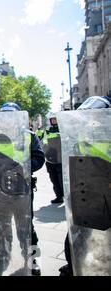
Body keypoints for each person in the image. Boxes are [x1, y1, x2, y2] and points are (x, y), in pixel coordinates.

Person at [0, 102, 45, 276]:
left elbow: (39, 158)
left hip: (22, 190)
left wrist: (21, 168)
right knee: (0, 223)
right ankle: (3, 252)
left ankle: (32, 260)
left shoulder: (28, 136)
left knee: (25, 227)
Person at [59, 95, 111, 276]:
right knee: (75, 239)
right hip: (84, 194)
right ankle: (73, 266)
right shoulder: (82, 134)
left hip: (106, 195)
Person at [42, 114, 64, 204]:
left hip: (61, 159)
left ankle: (65, 196)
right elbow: (42, 142)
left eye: (55, 119)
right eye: (52, 119)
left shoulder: (63, 129)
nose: (54, 121)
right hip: (50, 159)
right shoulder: (47, 131)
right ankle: (59, 196)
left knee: (61, 179)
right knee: (54, 179)